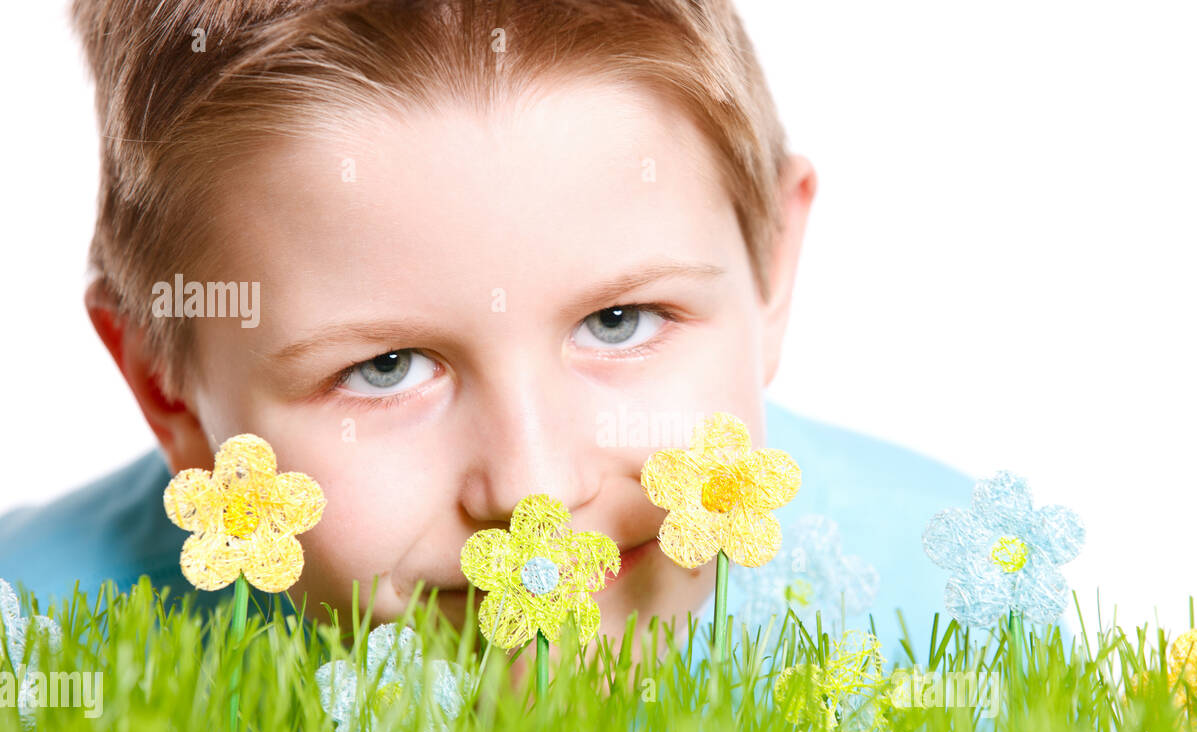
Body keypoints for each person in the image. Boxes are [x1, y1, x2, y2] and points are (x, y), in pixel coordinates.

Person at [0, 0, 981, 672]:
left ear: (769, 267)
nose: (534, 489)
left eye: (619, 320)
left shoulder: (962, 597)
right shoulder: (28, 646)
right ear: (167, 388)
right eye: (383, 369)